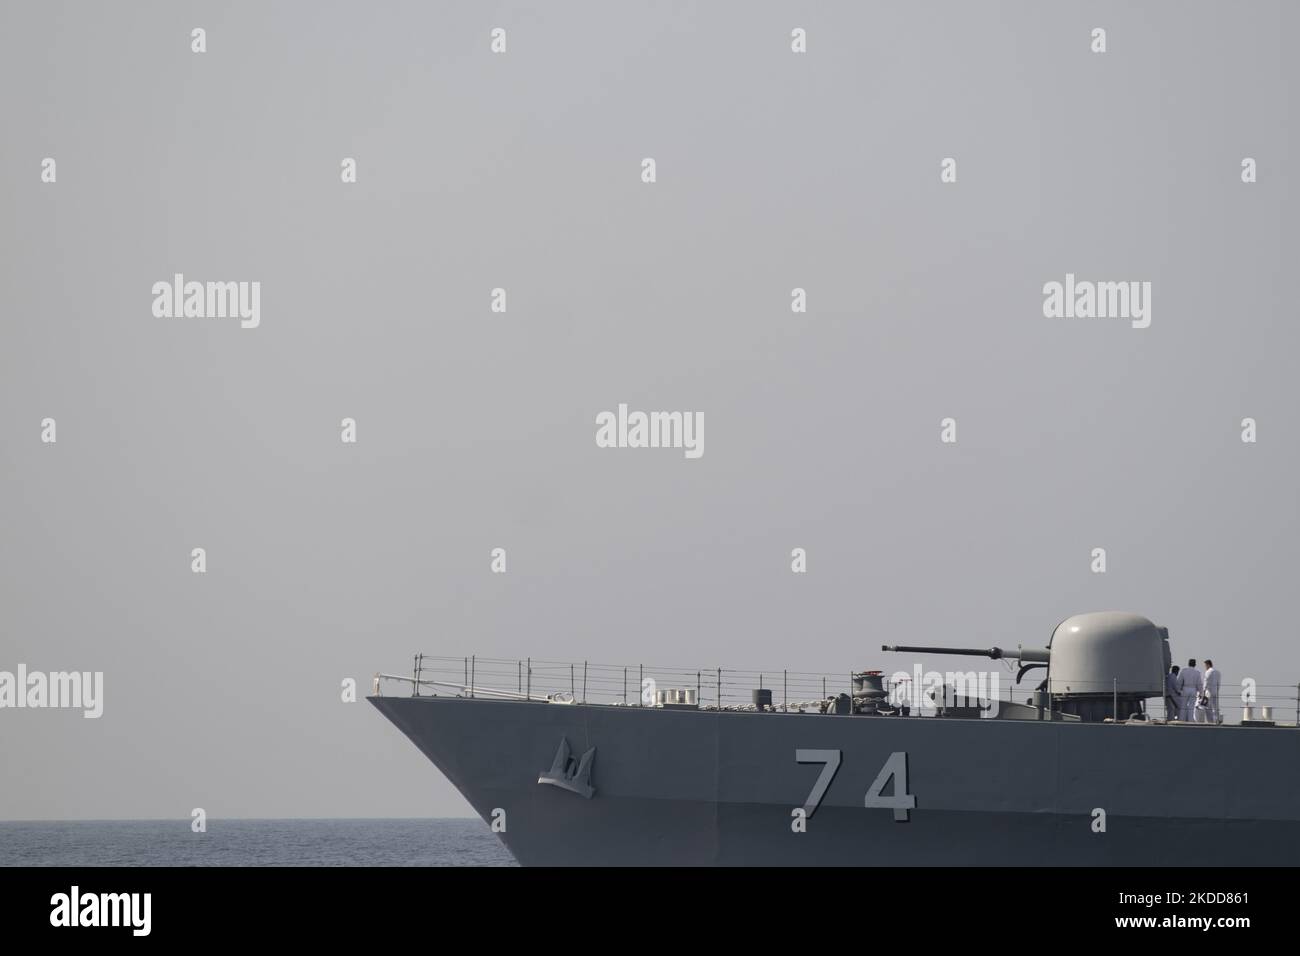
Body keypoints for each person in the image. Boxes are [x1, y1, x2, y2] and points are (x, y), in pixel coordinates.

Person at [1176, 658, 1203, 722]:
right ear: (1195, 664)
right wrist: (1201, 693)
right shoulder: (1197, 672)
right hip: (1193, 689)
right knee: (1191, 706)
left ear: (1188, 664)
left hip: (1185, 689)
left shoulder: (1184, 671)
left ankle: (1181, 719)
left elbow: (1179, 681)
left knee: (1183, 706)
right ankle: (1190, 720)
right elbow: (1199, 684)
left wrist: (1178, 690)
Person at [1202, 659, 1221, 724]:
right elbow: (1219, 683)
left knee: (1207, 707)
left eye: (1205, 665)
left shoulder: (1208, 672)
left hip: (1208, 692)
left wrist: (1203, 692)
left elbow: (1206, 682)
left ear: (1208, 665)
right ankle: (1216, 721)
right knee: (1215, 707)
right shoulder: (1217, 672)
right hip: (1215, 691)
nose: (1205, 667)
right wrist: (1217, 690)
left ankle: (1210, 721)